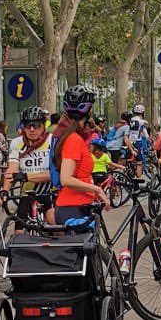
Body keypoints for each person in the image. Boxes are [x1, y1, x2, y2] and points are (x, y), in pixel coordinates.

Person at [51, 84, 111, 224]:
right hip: (73, 208)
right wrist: (97, 189)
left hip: (80, 205)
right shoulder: (74, 140)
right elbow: (66, 179)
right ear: (89, 110)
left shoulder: (73, 137)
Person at [2, 103, 55, 223]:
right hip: (27, 194)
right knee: (19, 234)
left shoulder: (52, 141)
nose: (31, 129)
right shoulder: (16, 143)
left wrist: (26, 176)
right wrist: (5, 191)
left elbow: (54, 173)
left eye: (36, 125)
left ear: (43, 126)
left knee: (53, 226)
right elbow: (12, 170)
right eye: (27, 125)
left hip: (49, 193)